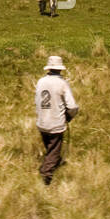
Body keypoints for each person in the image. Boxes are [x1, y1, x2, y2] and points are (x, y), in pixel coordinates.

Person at [35, 55, 79, 184]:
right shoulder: (62, 83)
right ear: (60, 69)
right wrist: (69, 116)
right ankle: (46, 175)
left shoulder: (40, 81)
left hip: (42, 122)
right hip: (56, 123)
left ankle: (53, 163)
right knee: (54, 149)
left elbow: (37, 101)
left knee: (50, 147)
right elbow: (72, 106)